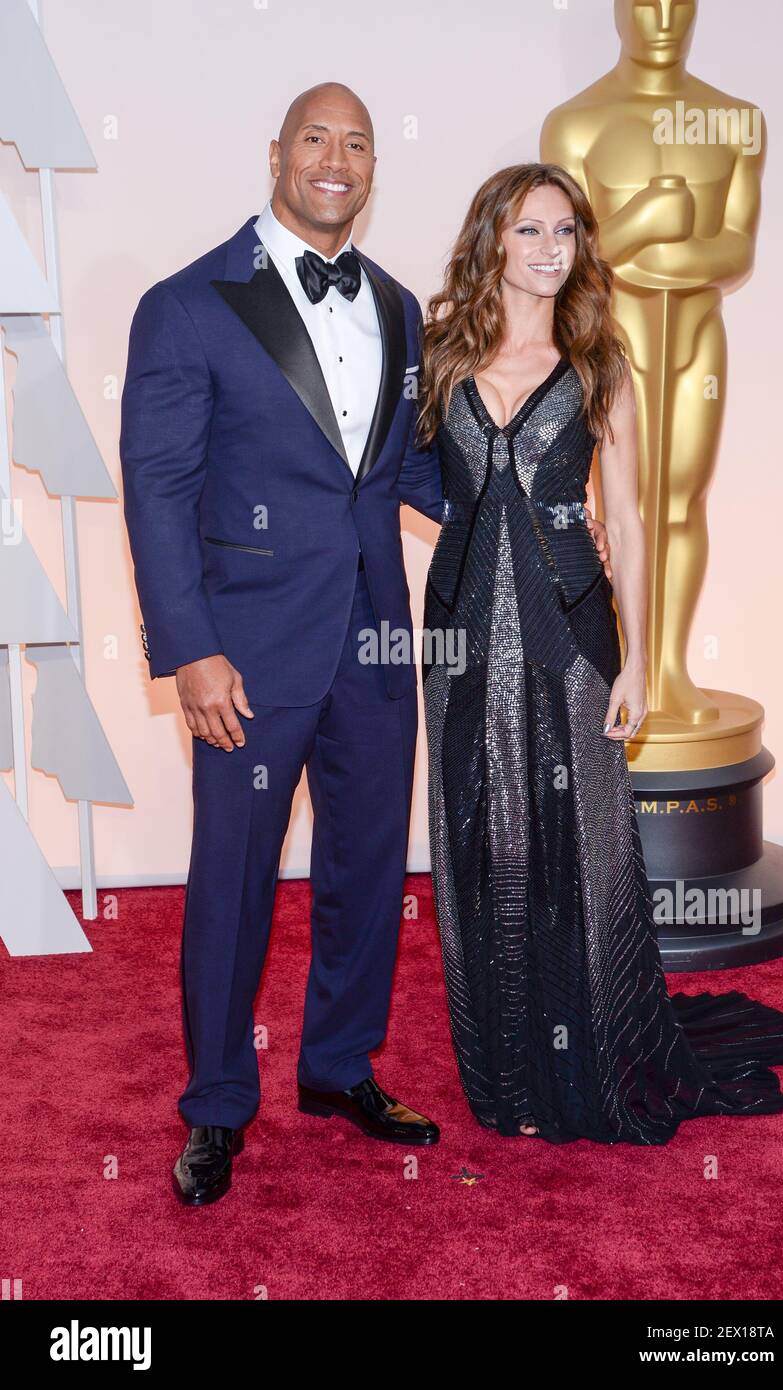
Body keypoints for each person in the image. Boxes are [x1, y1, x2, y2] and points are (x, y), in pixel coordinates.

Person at [120, 82, 485, 1205]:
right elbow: (158, 487)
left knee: (370, 872)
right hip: (246, 652)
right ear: (276, 153)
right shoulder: (186, 305)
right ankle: (219, 1104)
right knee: (231, 880)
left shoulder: (397, 306)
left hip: (376, 642)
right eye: (316, 140)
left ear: (374, 169)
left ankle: (335, 1068)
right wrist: (188, 647)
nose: (336, 160)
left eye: (357, 144)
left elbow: (411, 477)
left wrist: (545, 510)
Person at [417, 162, 783, 1144]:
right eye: (528, 232)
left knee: (582, 841)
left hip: (569, 624)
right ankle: (503, 1068)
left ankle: (584, 1050)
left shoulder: (600, 361)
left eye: (564, 232)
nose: (550, 250)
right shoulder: (439, 358)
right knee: (479, 836)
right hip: (461, 628)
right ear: (490, 243)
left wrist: (637, 660)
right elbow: (399, 480)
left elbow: (630, 520)